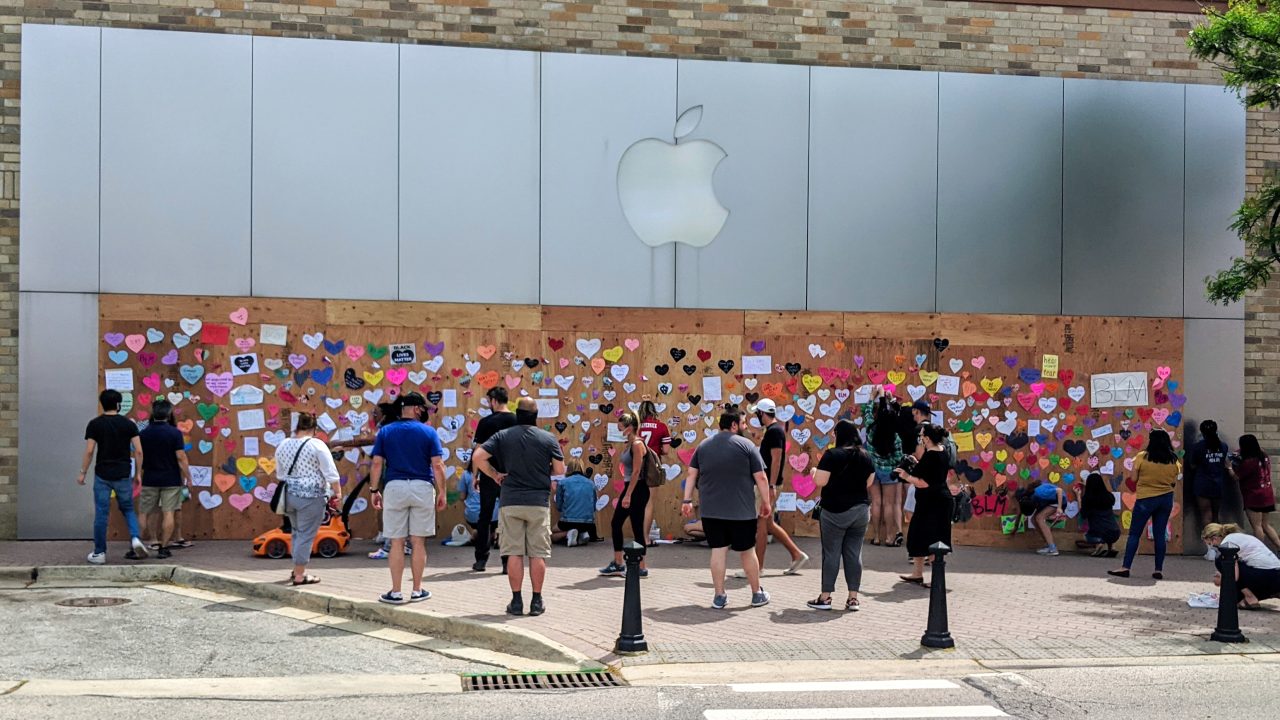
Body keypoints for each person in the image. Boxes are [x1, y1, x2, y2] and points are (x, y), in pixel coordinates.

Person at [473, 397, 566, 617]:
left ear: (517, 414)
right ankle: (536, 601)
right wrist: (545, 473)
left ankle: (516, 601)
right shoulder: (547, 438)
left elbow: (478, 456)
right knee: (538, 554)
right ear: (536, 416)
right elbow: (560, 469)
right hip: (538, 502)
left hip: (511, 501)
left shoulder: (502, 436)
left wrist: (495, 475)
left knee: (514, 553)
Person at [681, 411, 772, 610]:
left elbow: (691, 474)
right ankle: (757, 593)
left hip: (711, 511)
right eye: (743, 423)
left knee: (718, 551)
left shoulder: (703, 446)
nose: (745, 426)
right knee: (747, 552)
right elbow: (762, 478)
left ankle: (719, 596)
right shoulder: (747, 446)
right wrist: (766, 502)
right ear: (733, 425)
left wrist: (687, 500)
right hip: (742, 512)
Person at [370, 392, 447, 604]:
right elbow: (437, 465)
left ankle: (395, 592)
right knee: (418, 541)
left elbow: (377, 463)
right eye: (422, 408)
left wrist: (374, 490)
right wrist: (442, 491)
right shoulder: (428, 432)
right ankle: (417, 590)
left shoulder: (385, 432)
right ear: (415, 409)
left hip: (394, 487)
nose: (423, 412)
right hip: (422, 486)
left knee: (396, 542)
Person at [807, 420, 875, 612]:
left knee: (831, 554)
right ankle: (853, 598)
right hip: (860, 511)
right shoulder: (865, 455)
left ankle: (826, 597)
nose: (833, 436)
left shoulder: (831, 455)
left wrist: (813, 472)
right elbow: (869, 482)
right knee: (854, 553)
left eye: (835, 433)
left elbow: (821, 480)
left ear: (839, 434)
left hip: (834, 511)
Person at [80, 389, 148, 564]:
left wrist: (83, 473)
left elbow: (89, 451)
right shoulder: (129, 424)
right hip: (123, 473)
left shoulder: (94, 424)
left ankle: (99, 553)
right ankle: (135, 539)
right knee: (128, 509)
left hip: (103, 473)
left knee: (102, 513)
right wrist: (138, 473)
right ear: (118, 404)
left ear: (102, 404)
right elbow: (139, 451)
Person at [274, 411, 342, 586]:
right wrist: (338, 493)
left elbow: (280, 473)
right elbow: (330, 472)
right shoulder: (316, 445)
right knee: (306, 535)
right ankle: (299, 575)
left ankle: (296, 568)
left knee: (297, 532)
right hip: (311, 496)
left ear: (297, 427)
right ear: (314, 428)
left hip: (289, 495)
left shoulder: (283, 445)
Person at [747, 399, 809, 576]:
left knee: (761, 525)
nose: (756, 416)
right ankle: (796, 555)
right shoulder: (773, 430)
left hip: (768, 484)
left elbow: (776, 459)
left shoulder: (775, 431)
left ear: (762, 413)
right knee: (768, 524)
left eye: (757, 413)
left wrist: (771, 485)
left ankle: (757, 568)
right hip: (767, 483)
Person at [1109, 429, 1182, 580]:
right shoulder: (1174, 459)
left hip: (1146, 499)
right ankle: (1158, 570)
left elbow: (1133, 479)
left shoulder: (1142, 456)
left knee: (1135, 533)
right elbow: (1174, 479)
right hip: (1165, 499)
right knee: (1160, 535)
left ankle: (1125, 567)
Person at [895, 424, 956, 587]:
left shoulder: (931, 456)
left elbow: (923, 483)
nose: (920, 438)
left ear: (927, 438)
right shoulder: (942, 450)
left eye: (921, 435)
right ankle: (917, 574)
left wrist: (906, 476)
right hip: (937, 501)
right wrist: (916, 465)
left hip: (933, 503)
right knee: (921, 535)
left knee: (933, 538)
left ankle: (935, 579)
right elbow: (931, 473)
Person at [600, 412, 652, 577]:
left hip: (637, 488)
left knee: (636, 525)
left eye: (621, 428)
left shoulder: (637, 444)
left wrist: (628, 494)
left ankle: (641, 566)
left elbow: (637, 471)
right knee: (616, 523)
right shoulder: (630, 444)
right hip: (632, 487)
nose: (619, 431)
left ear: (629, 428)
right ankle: (618, 563)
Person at [136, 400, 191, 560]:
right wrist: (188, 475)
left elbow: (139, 455)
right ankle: (164, 547)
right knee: (169, 513)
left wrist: (138, 474)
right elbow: (181, 456)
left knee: (145, 512)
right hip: (171, 479)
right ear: (169, 414)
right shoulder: (175, 433)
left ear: (153, 413)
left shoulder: (144, 433)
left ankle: (141, 542)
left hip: (150, 478)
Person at [471, 386, 517, 572]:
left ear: (494, 400)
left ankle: (481, 559)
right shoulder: (517, 420)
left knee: (485, 517)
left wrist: (475, 475)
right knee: (509, 519)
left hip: (489, 474)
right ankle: (507, 562)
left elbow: (479, 450)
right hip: (512, 475)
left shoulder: (486, 422)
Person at [862, 388, 904, 547]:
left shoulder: (871, 429)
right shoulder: (896, 438)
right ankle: (889, 537)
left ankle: (877, 537)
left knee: (876, 502)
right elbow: (899, 458)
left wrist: (872, 398)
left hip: (873, 470)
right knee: (888, 504)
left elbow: (867, 414)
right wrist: (891, 400)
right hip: (889, 472)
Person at [1203, 522, 1280, 608]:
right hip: (1276, 573)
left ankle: (1250, 597)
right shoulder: (1238, 536)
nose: (1212, 547)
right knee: (1236, 598)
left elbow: (1233, 577)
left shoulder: (1227, 544)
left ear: (1214, 538)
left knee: (1220, 560)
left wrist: (1222, 578)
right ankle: (1272, 592)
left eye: (1210, 544)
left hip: (1265, 575)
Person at [1233, 435, 1280, 550]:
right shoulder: (1263, 456)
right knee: (1266, 525)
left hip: (1254, 496)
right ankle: (1279, 546)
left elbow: (1236, 477)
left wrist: (1229, 467)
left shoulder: (1249, 462)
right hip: (1267, 494)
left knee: (1257, 526)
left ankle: (1259, 551)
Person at [638, 398, 671, 546]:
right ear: (654, 411)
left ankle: (637, 537)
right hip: (652, 465)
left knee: (636, 502)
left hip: (636, 465)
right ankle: (645, 538)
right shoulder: (662, 427)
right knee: (648, 503)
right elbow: (665, 450)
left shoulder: (636, 426)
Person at [1187, 419, 1230, 528]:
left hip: (1202, 484)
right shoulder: (1223, 446)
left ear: (1202, 432)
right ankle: (1218, 541)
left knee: (1206, 515)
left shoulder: (1198, 447)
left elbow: (1192, 465)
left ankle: (1209, 542)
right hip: (1218, 484)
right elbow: (1225, 462)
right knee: (1216, 515)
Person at [551, 458, 598, 546]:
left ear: (569, 468)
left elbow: (559, 506)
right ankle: (582, 534)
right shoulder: (591, 483)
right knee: (579, 527)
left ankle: (568, 533)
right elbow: (594, 506)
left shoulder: (562, 483)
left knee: (552, 534)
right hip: (588, 523)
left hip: (568, 521)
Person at [1074, 472, 1121, 557]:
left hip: (1098, 533)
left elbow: (1083, 514)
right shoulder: (1108, 496)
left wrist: (1078, 496)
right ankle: (1111, 547)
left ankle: (1099, 542)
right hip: (1115, 533)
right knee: (1107, 526)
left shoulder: (1088, 499)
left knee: (1085, 536)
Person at [459, 460, 499, 542]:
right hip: (495, 516)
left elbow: (462, 497)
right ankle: (495, 534)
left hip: (472, 516)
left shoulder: (466, 474)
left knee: (481, 524)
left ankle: (478, 533)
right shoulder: (496, 474)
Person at [1030, 481, 1066, 557]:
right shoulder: (1038, 494)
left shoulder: (1039, 491)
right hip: (1051, 502)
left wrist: (1059, 508)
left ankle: (1052, 548)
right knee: (1033, 519)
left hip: (1058, 501)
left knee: (1039, 518)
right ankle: (1047, 544)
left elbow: (1059, 490)